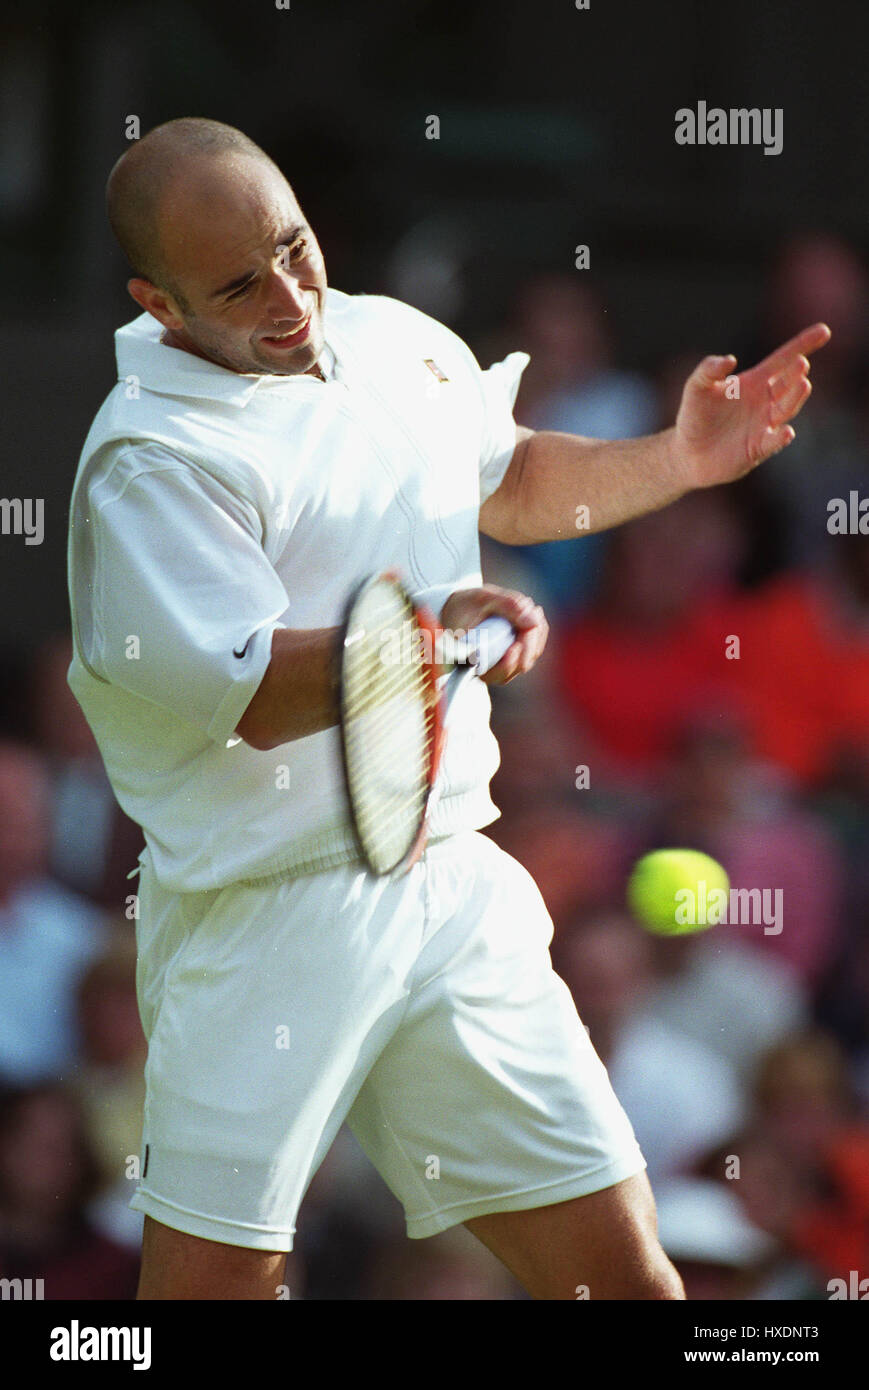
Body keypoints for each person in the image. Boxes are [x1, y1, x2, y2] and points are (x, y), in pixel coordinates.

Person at [66, 117, 828, 1301]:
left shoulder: (392, 339)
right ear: (157, 305)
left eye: (293, 246)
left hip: (448, 883)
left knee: (626, 1280)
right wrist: (429, 636)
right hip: (264, 915)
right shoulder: (148, 460)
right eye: (235, 283)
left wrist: (672, 459)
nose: (288, 296)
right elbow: (255, 687)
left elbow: (511, 478)